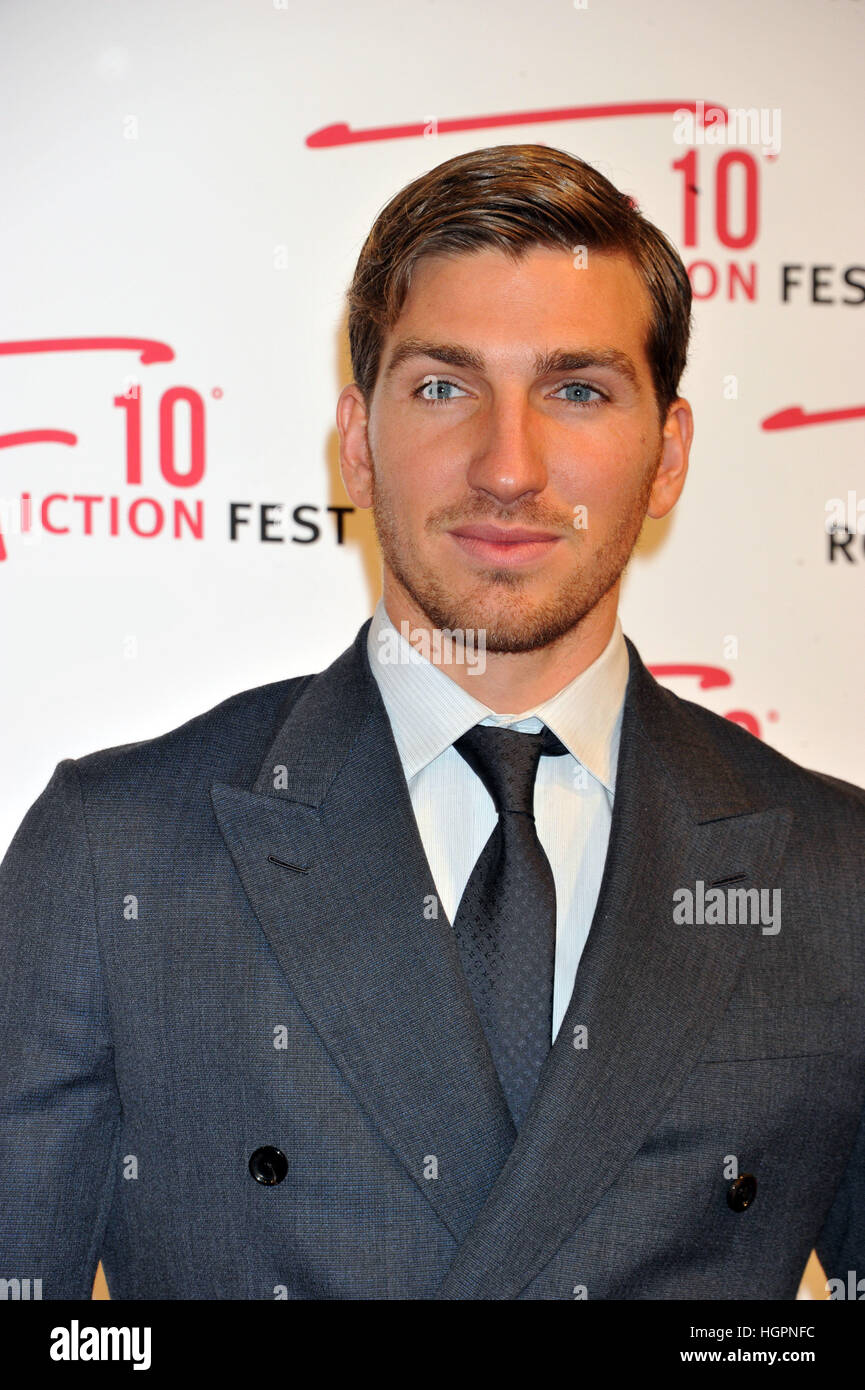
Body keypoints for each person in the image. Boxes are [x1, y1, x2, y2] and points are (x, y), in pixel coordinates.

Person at [1, 144, 863, 1301]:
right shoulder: (114, 853)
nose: (508, 467)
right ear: (357, 442)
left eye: (577, 389)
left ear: (667, 455)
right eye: (444, 387)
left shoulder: (831, 875)